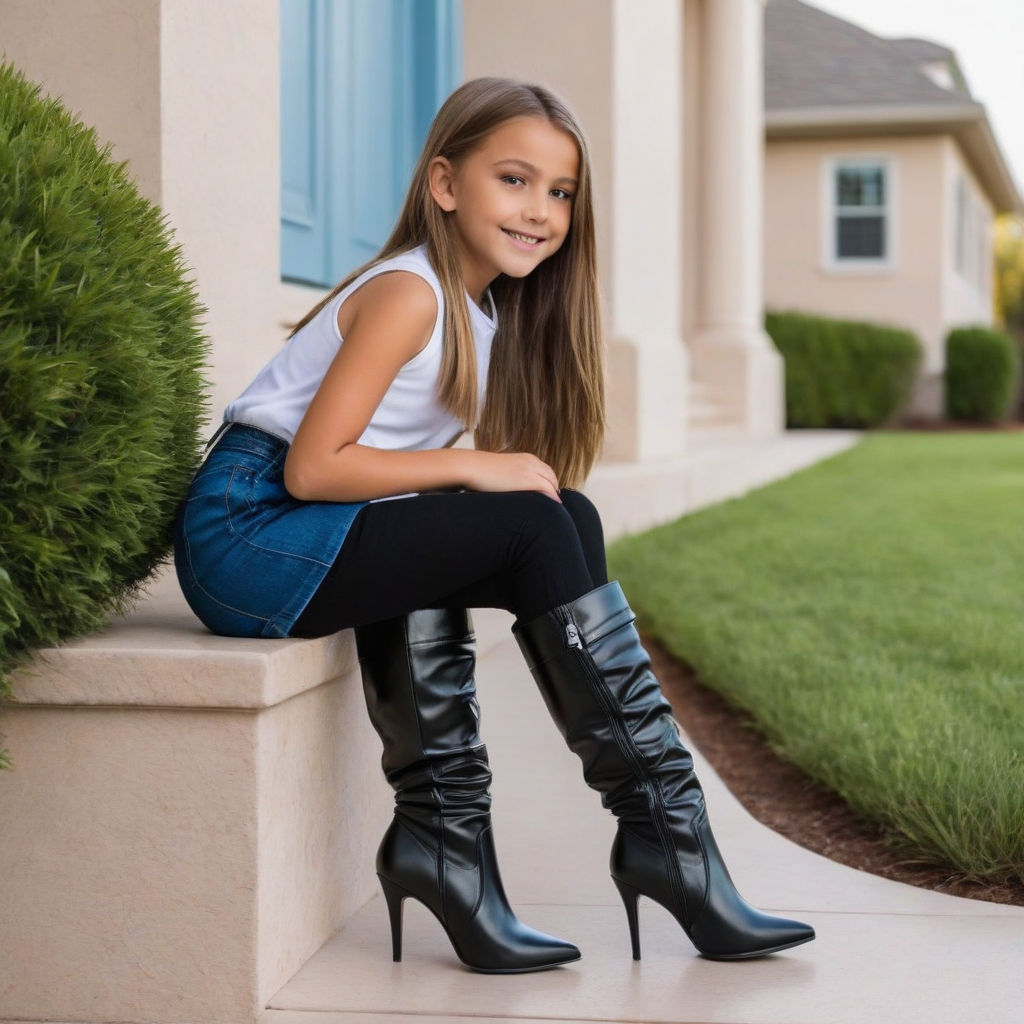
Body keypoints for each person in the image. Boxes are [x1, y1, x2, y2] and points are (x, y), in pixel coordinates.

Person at [174, 77, 814, 974]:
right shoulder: (411, 294)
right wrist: (471, 464)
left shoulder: (479, 309)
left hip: (305, 526)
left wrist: (469, 483)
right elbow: (311, 467)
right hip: (246, 534)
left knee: (563, 515)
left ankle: (457, 841)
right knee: (524, 524)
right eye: (514, 180)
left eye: (559, 193)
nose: (540, 211)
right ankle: (664, 843)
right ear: (444, 183)